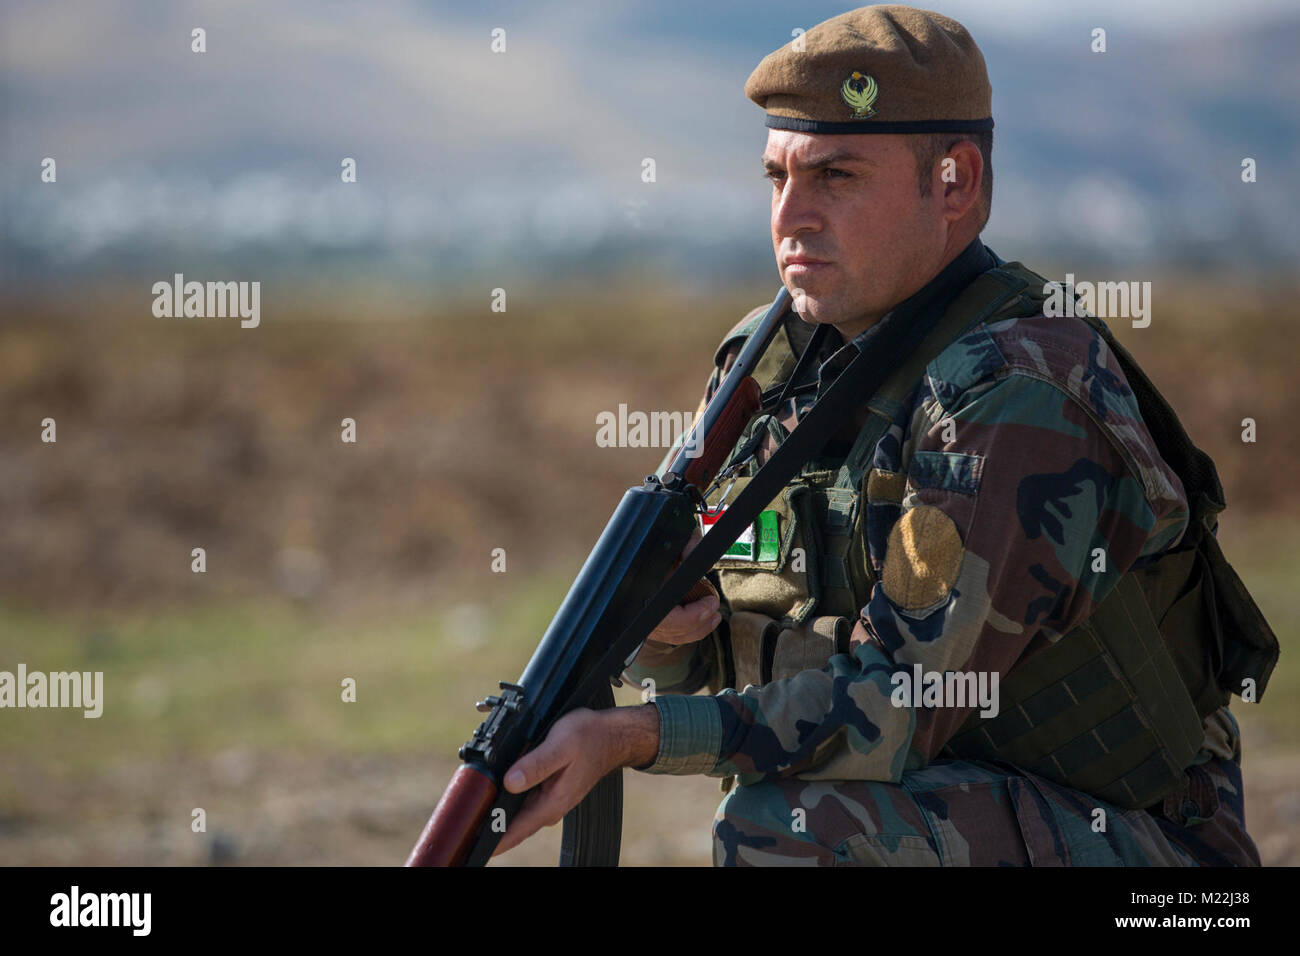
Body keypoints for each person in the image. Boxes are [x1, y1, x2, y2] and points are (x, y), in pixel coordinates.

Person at [491, 4, 1276, 866]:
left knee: (793, 824)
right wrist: (659, 638)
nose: (790, 217)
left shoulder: (1015, 393)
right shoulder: (777, 365)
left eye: (836, 177)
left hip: (1144, 847)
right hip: (956, 806)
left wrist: (637, 735)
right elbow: (732, 653)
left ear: (954, 182)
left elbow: (895, 704)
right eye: (776, 178)